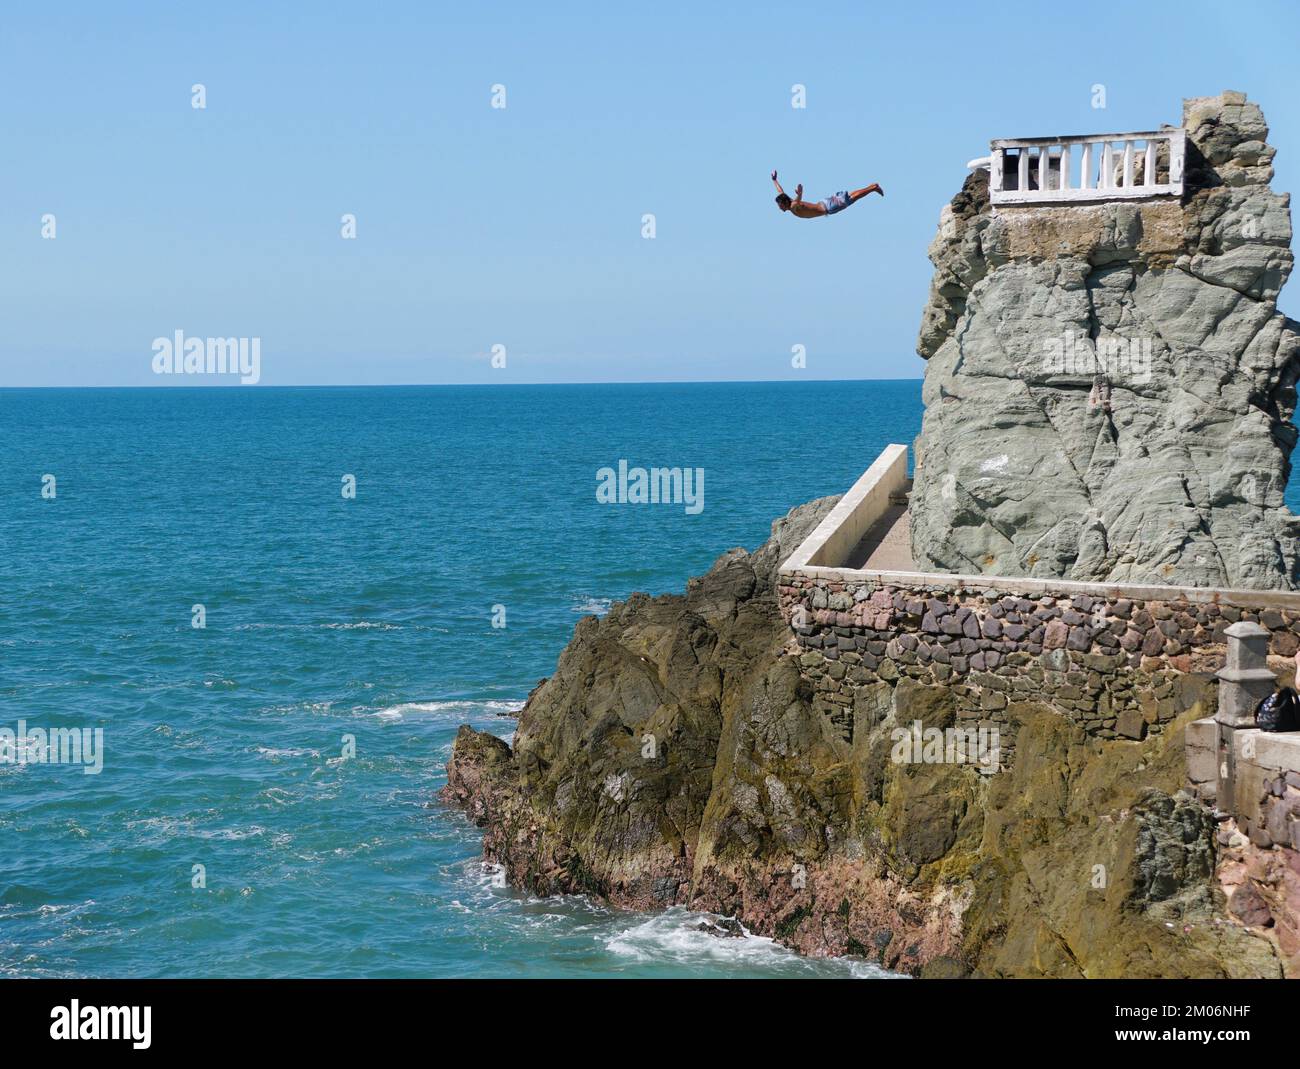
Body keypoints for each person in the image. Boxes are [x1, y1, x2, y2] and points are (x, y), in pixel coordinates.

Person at [771, 169, 883, 218]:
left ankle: (872, 188)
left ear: (785, 203)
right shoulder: (788, 200)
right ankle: (872, 187)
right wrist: (775, 180)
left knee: (852, 199)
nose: (779, 208)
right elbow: (781, 192)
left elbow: (798, 201)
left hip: (828, 207)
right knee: (849, 197)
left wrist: (800, 193)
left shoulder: (793, 206)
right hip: (824, 202)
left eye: (780, 205)